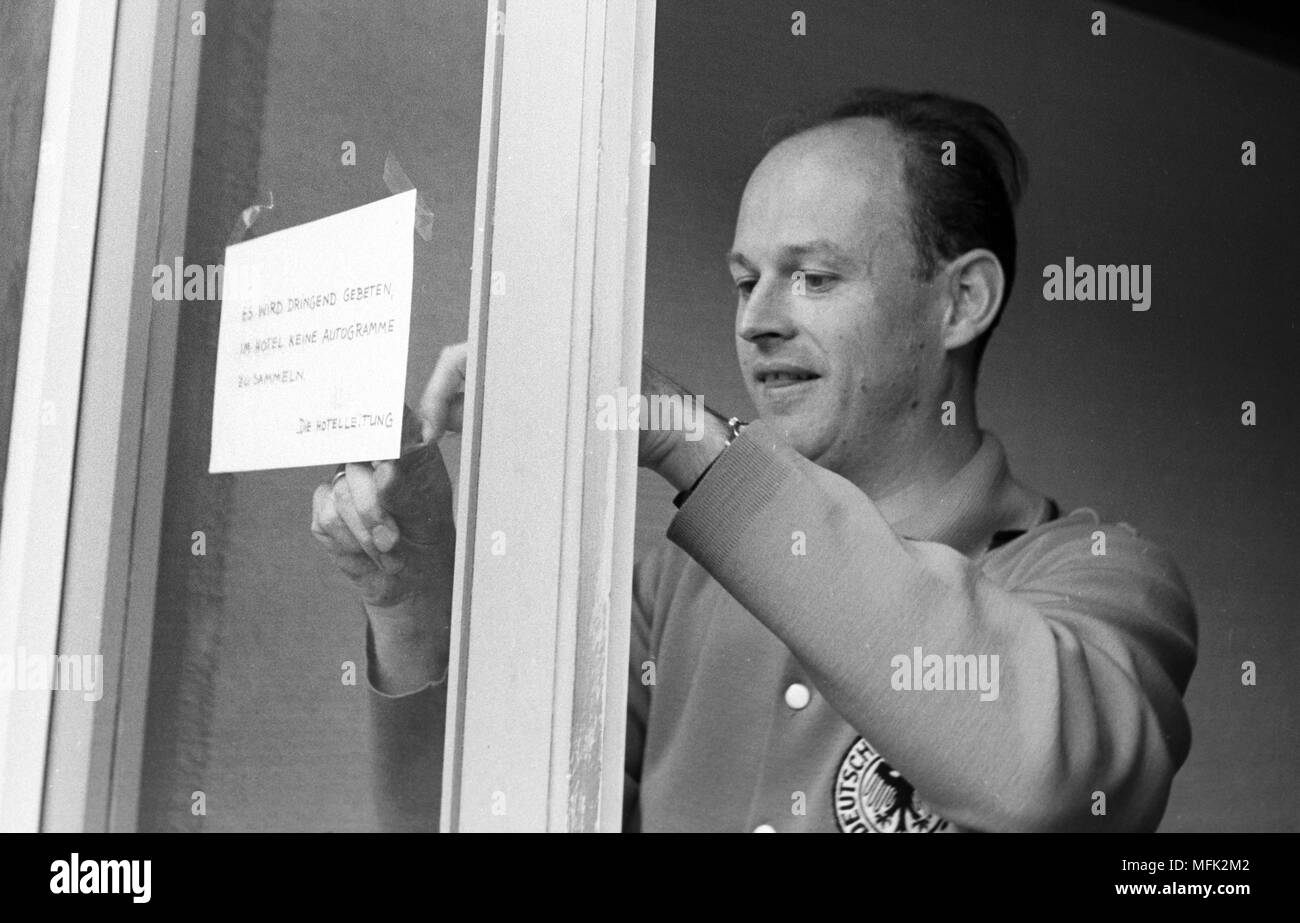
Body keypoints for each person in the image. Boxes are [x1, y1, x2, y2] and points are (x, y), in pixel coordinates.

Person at [310, 88, 1197, 832]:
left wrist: (678, 432)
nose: (757, 319)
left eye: (814, 276)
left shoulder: (1100, 577)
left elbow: (1040, 781)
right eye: (746, 280)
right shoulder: (673, 591)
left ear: (961, 301)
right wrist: (412, 586)